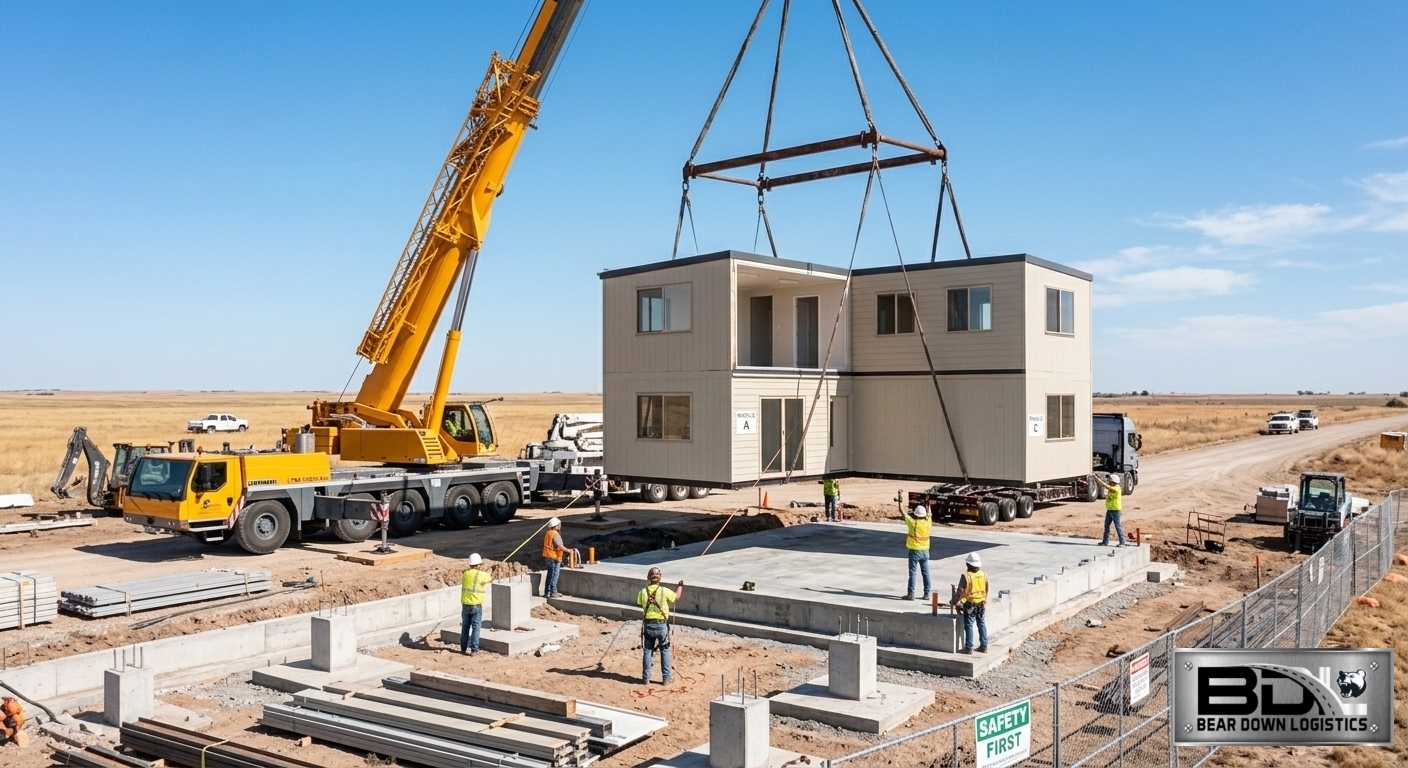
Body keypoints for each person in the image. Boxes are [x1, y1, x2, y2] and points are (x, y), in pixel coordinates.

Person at [637, 566, 683, 684]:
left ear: (648, 578)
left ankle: (646, 678)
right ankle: (666, 679)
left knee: (648, 651)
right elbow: (676, 597)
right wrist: (680, 587)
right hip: (662, 625)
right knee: (665, 650)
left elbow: (639, 603)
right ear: (660, 577)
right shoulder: (664, 591)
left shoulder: (643, 592)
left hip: (648, 625)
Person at [955, 552, 988, 654]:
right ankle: (984, 646)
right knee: (981, 623)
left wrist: (954, 601)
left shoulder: (966, 576)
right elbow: (986, 589)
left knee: (969, 625)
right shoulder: (983, 575)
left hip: (970, 604)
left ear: (968, 564)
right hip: (981, 604)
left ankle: (969, 647)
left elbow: (960, 591)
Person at [460, 553, 492, 655]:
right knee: (476, 628)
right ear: (478, 565)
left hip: (465, 605)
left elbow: (466, 571)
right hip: (476, 606)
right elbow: (489, 577)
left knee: (465, 627)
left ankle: (463, 648)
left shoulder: (465, 574)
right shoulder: (481, 575)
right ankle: (474, 649)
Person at [902, 505, 932, 600]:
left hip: (914, 551)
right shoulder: (928, 522)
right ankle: (927, 594)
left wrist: (899, 501)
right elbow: (930, 514)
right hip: (925, 551)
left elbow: (902, 512)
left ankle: (911, 594)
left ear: (915, 514)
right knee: (926, 573)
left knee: (912, 573)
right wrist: (928, 505)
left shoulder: (912, 523)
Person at [1094, 474, 1126, 546]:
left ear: (1113, 481)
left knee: (1118, 526)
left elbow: (1106, 486)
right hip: (1110, 510)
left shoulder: (1116, 488)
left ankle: (1122, 542)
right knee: (1106, 526)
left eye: (1109, 480)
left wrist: (1097, 479)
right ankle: (1105, 542)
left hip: (1115, 511)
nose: (1108, 481)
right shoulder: (1112, 488)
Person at [542, 518, 566, 597]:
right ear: (556, 526)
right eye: (559, 525)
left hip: (547, 556)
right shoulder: (555, 534)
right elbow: (560, 545)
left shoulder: (548, 533)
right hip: (554, 557)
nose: (560, 526)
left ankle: (547, 592)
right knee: (554, 575)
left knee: (549, 575)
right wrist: (569, 551)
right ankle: (553, 592)